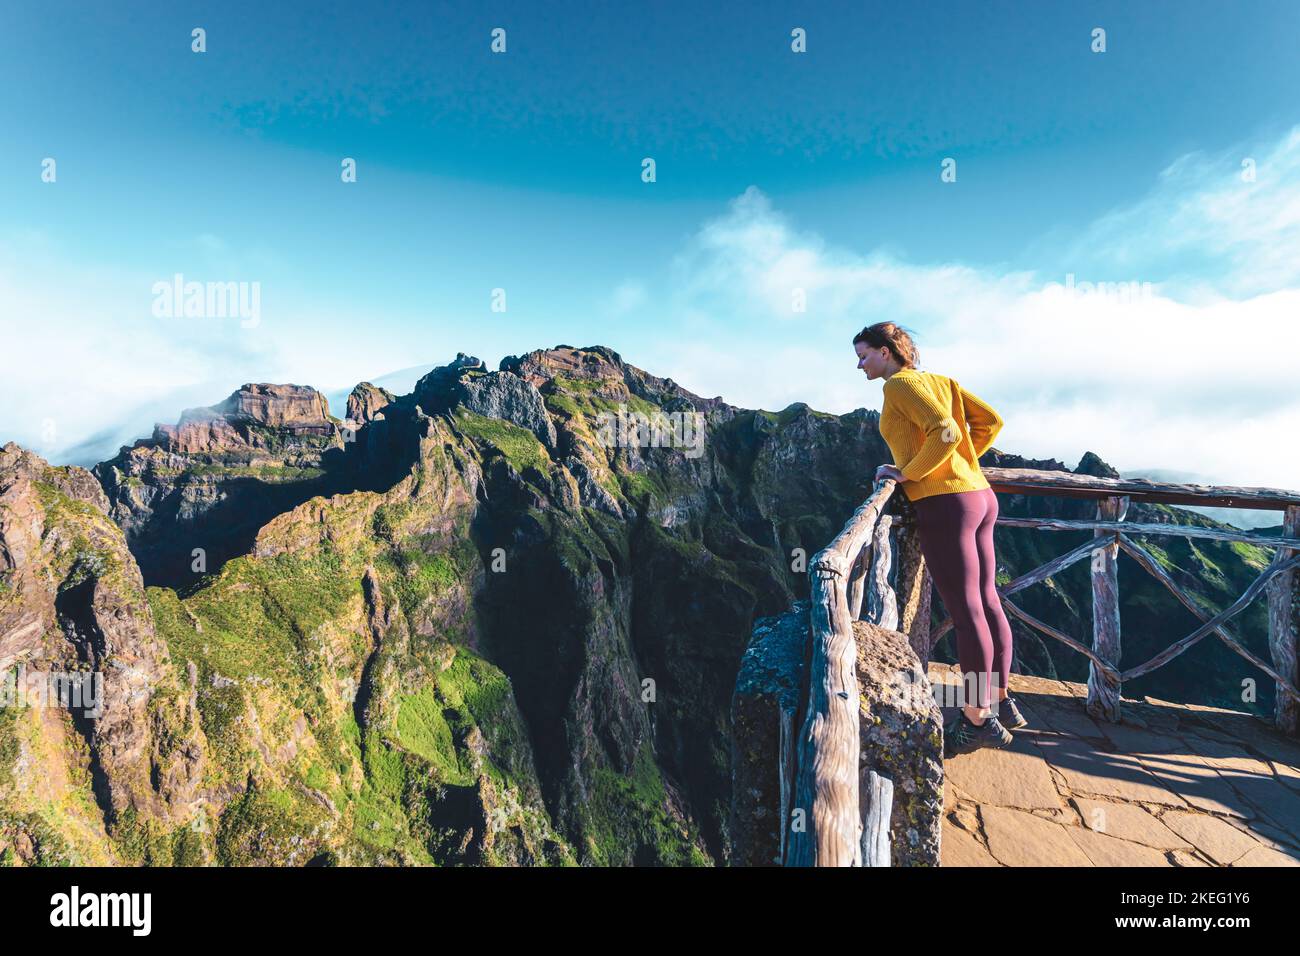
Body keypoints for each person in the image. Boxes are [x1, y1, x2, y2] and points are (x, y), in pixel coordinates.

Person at [853, 321, 1027, 758]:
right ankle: (1001, 700)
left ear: (887, 352)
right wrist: (964, 463)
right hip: (979, 497)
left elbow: (945, 432)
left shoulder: (900, 385)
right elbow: (989, 423)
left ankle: (975, 719)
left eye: (864, 355)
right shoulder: (941, 380)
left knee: (968, 613)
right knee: (987, 602)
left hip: (946, 504)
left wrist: (910, 472)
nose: (860, 365)